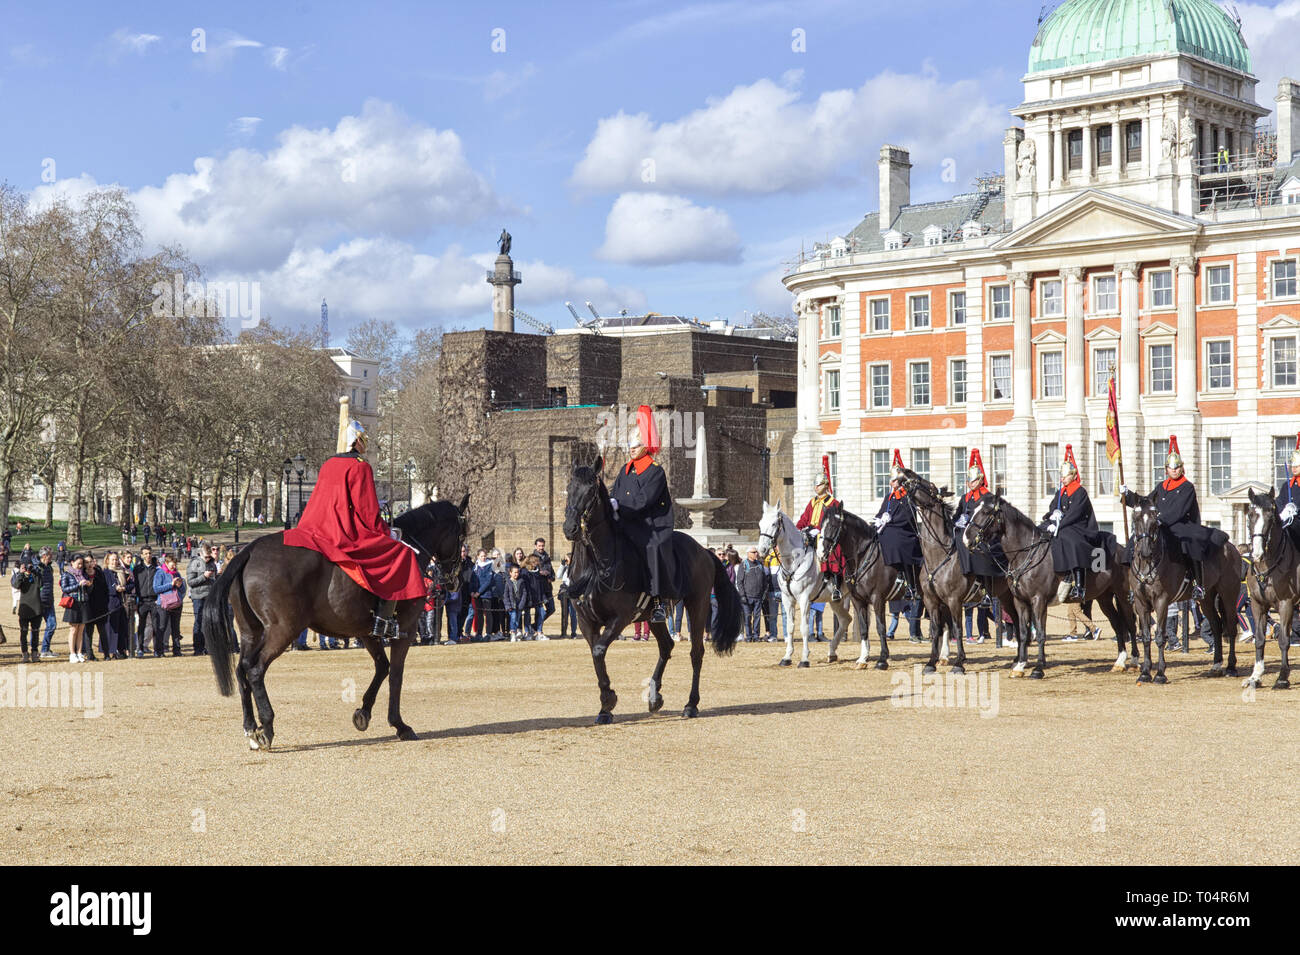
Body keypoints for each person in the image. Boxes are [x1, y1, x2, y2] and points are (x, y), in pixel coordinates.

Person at [283, 419, 426, 638]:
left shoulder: (328, 464)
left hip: (314, 527)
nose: (365, 443)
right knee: (400, 553)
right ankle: (383, 621)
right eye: (363, 439)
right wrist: (385, 531)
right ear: (356, 441)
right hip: (344, 531)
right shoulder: (360, 466)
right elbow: (366, 509)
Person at [1121, 435, 1226, 600]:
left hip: (1182, 524)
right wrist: (1127, 495)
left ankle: (1198, 584)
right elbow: (1145, 502)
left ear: (1181, 468)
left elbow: (1180, 510)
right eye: (1171, 468)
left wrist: (1161, 520)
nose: (1174, 470)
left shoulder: (1187, 487)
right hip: (1160, 524)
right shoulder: (1161, 486)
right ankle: (1133, 584)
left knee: (1190, 544)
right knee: (1137, 539)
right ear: (1166, 470)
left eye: (1177, 467)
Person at [610, 404, 676, 623]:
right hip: (624, 522)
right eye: (630, 445)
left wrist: (620, 505)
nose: (631, 448)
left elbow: (643, 501)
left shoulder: (655, 471)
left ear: (646, 446)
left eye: (636, 445)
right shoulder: (624, 470)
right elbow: (615, 492)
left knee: (652, 547)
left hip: (650, 524)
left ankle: (658, 601)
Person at [1041, 444, 1109, 602]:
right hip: (1062, 524)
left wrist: (1060, 523)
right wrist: (1052, 516)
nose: (1062, 478)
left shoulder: (1080, 491)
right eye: (1061, 476)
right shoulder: (1060, 492)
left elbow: (1075, 513)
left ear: (1072, 475)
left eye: (1065, 476)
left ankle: (1079, 584)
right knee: (1041, 529)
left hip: (1079, 527)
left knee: (1070, 540)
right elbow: (1053, 507)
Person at [873, 450, 923, 600]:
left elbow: (907, 516)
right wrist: (878, 520)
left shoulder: (907, 497)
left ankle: (908, 581)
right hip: (890, 528)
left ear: (900, 481)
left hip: (904, 531)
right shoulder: (889, 497)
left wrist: (891, 520)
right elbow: (881, 512)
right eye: (891, 480)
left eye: (893, 480)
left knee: (894, 538)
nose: (891, 483)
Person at [953, 449, 1003, 596]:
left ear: (981, 480)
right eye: (969, 481)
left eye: (974, 481)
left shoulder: (988, 497)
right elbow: (957, 514)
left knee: (983, 551)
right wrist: (957, 521)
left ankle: (984, 585)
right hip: (965, 530)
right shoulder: (965, 497)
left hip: (982, 532)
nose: (970, 483)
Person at [795, 457, 844, 598]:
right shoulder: (813, 502)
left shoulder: (833, 503)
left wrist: (819, 530)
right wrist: (798, 529)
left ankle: (835, 585)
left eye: (819, 485)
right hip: (810, 534)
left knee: (832, 553)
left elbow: (833, 523)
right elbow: (804, 518)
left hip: (825, 536)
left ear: (826, 485)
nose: (816, 488)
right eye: (815, 485)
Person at [186, 544, 218, 656]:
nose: (208, 559)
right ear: (200, 554)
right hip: (198, 597)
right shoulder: (194, 563)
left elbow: (215, 579)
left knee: (209, 622)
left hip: (210, 596)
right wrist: (204, 576)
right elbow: (190, 582)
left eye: (210, 557)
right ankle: (198, 648)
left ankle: (208, 646)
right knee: (198, 622)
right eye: (206, 557)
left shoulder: (212, 563)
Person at [152, 552, 186, 656]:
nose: (174, 566)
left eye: (175, 564)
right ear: (166, 562)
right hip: (164, 604)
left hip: (176, 604)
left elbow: (183, 589)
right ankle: (159, 651)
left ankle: (177, 650)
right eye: (172, 564)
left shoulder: (177, 573)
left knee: (176, 629)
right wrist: (171, 585)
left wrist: (179, 585)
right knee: (161, 628)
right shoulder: (160, 573)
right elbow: (156, 588)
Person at [60, 554, 91, 663]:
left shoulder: (84, 574)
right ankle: (72, 653)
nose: (80, 566)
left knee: (81, 629)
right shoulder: (67, 574)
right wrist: (78, 585)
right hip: (73, 603)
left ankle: (79, 652)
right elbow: (64, 588)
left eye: (81, 564)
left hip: (83, 603)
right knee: (73, 629)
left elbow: (89, 588)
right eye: (78, 563)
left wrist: (88, 584)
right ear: (72, 563)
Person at [104, 551, 134, 660]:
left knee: (122, 627)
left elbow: (131, 584)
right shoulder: (105, 573)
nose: (115, 562)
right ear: (107, 561)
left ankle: (121, 649)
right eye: (112, 560)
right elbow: (104, 587)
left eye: (116, 559)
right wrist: (114, 589)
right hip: (110, 603)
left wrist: (124, 588)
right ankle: (111, 651)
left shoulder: (122, 571)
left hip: (122, 602)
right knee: (112, 628)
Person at [13, 556, 43, 662]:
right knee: (23, 633)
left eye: (29, 565)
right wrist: (21, 573)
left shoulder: (36, 574)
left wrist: (34, 571)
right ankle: (24, 653)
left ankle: (35, 652)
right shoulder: (20, 576)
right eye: (25, 565)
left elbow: (40, 584)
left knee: (35, 633)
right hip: (25, 608)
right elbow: (16, 585)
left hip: (36, 608)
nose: (27, 567)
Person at [737, 547, 768, 642]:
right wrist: (742, 595)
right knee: (747, 617)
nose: (756, 554)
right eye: (753, 552)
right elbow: (739, 581)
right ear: (748, 554)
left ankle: (756, 636)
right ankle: (749, 636)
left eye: (756, 552)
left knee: (757, 618)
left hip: (758, 597)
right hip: (747, 597)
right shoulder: (743, 565)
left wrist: (763, 593)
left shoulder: (760, 565)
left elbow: (764, 580)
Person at [134, 545, 160, 657]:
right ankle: (140, 648)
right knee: (141, 626)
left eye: (149, 553)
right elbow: (135, 585)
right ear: (142, 555)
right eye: (145, 553)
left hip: (154, 600)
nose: (148, 555)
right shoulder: (137, 569)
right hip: (142, 601)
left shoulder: (156, 569)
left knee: (156, 626)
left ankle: (157, 649)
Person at [36, 547, 57, 659]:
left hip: (49, 600)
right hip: (39, 601)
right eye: (49, 555)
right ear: (44, 556)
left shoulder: (49, 568)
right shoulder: (37, 568)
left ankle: (45, 649)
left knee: (52, 625)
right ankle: (34, 650)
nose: (51, 556)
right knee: (36, 628)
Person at [502, 563, 531, 641]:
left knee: (517, 620)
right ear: (510, 573)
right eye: (514, 572)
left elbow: (524, 593)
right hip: (512, 605)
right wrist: (508, 606)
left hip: (519, 605)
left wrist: (522, 603)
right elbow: (505, 595)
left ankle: (516, 632)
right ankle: (513, 633)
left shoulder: (521, 582)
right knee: (513, 618)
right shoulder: (508, 582)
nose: (516, 574)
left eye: (517, 572)